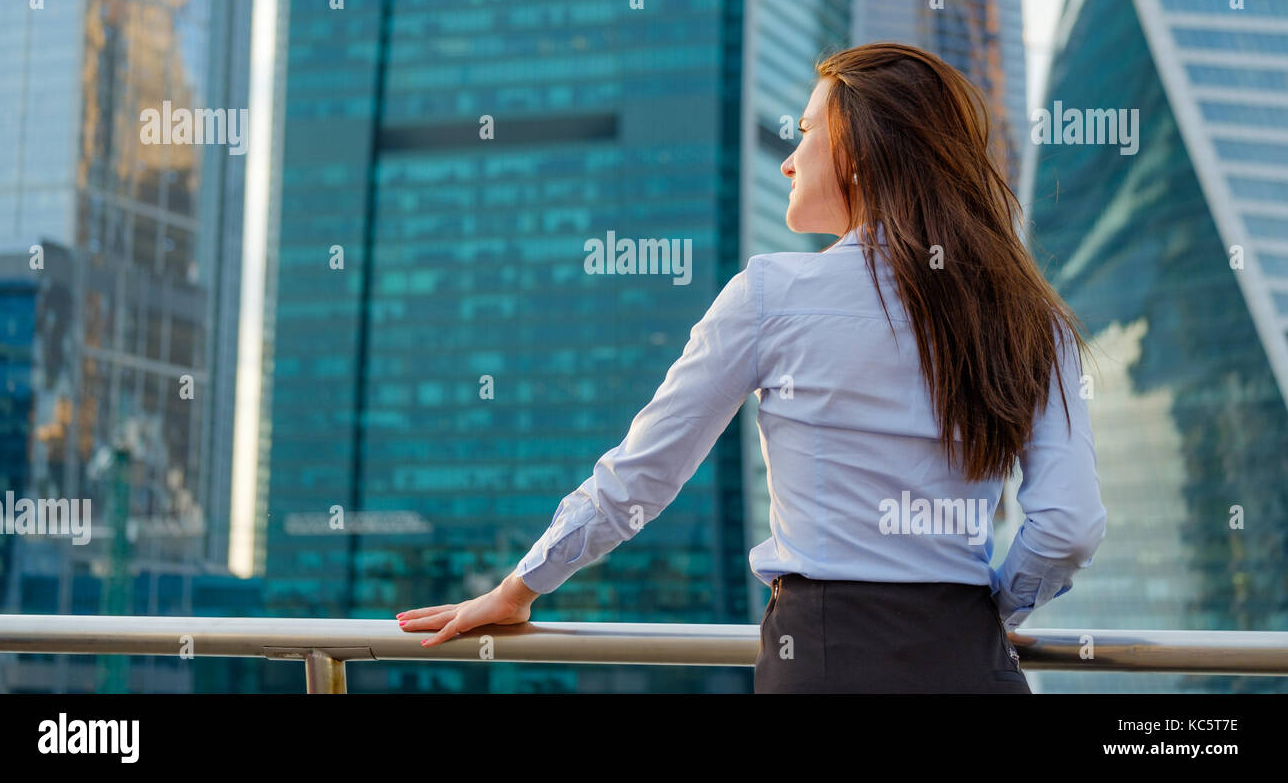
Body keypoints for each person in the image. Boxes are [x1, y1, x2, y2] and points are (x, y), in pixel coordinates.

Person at [397, 42, 1108, 693]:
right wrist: (988, 609)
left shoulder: (771, 295)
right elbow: (1067, 526)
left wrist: (520, 586)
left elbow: (643, 475)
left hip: (826, 662)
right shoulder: (1030, 315)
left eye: (804, 132)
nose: (788, 160)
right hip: (974, 666)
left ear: (856, 152)